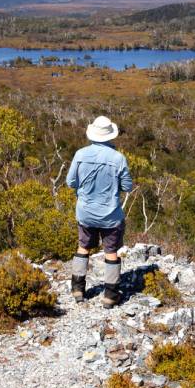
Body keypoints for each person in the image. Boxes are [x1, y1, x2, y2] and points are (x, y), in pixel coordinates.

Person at [66, 115, 133, 307]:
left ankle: (78, 289)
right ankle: (110, 296)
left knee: (83, 247)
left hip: (86, 212)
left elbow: (70, 182)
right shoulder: (118, 158)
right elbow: (127, 186)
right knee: (111, 251)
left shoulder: (80, 154)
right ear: (110, 135)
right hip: (110, 215)